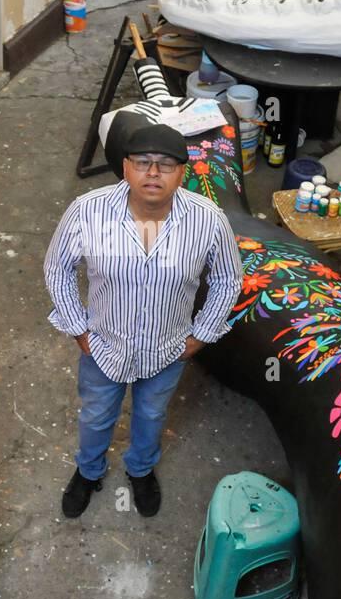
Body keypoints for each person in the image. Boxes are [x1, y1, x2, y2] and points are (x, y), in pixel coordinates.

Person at [44, 122, 241, 518]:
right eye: (144, 162)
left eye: (166, 164)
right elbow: (56, 268)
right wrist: (78, 328)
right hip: (103, 346)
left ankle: (140, 469)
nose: (154, 173)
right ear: (125, 166)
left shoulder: (208, 220)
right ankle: (89, 470)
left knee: (152, 415)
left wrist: (200, 335)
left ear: (182, 172)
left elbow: (227, 279)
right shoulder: (88, 211)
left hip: (168, 349)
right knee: (97, 415)